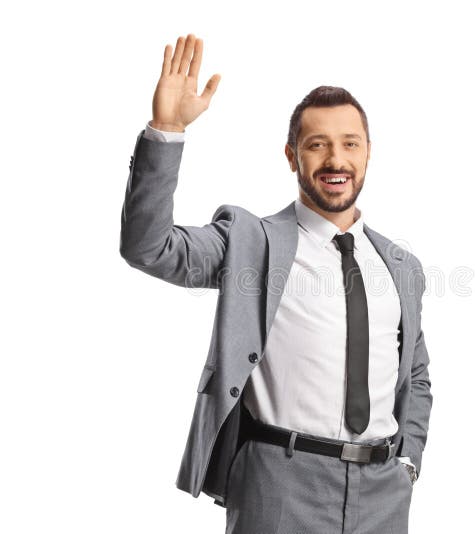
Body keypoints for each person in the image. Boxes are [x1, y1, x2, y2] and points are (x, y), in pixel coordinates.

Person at [119, 33, 433, 533]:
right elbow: (149, 248)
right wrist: (167, 130)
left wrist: (408, 460)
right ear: (292, 156)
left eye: (349, 144)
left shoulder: (400, 265)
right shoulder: (251, 241)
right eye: (317, 144)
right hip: (279, 485)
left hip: (382, 494)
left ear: (368, 153)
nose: (336, 159)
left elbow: (415, 374)